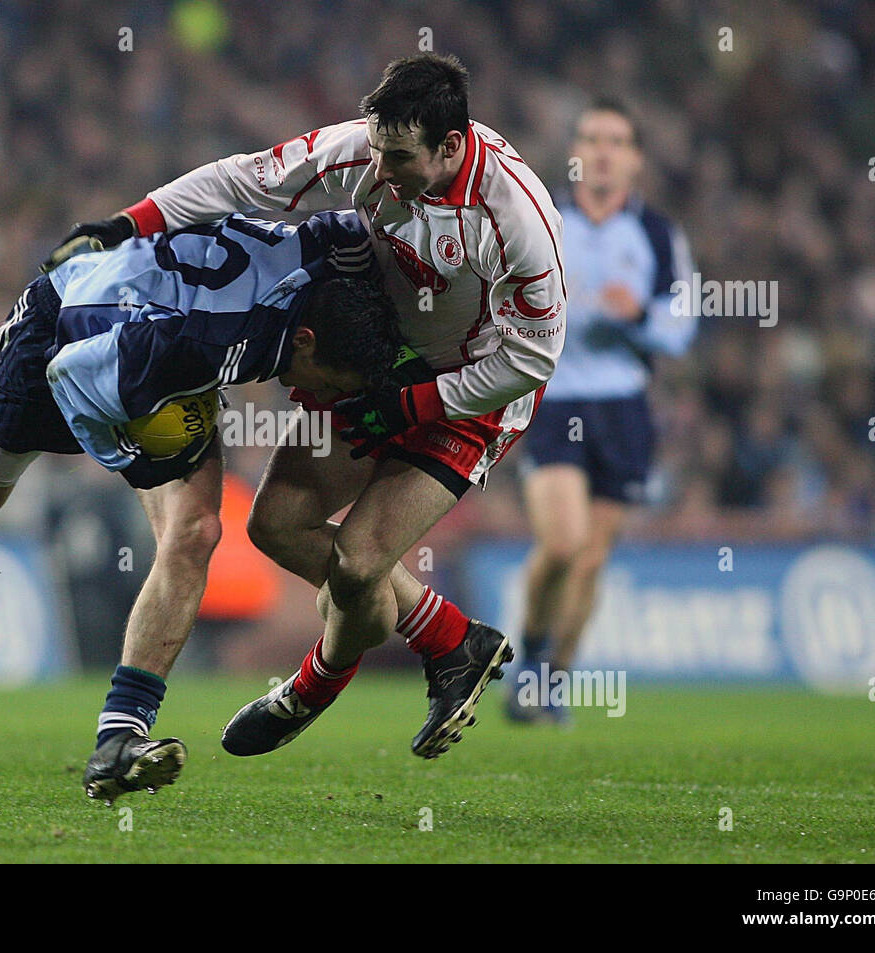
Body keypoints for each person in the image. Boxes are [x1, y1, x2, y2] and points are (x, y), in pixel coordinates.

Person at [44, 53, 565, 758]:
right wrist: (129, 223)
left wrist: (416, 406)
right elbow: (240, 181)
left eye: (400, 157)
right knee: (277, 524)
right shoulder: (363, 152)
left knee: (356, 567)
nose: (380, 171)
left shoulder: (518, 219)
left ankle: (307, 691)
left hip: (474, 394)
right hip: (384, 364)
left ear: (451, 147)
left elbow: (531, 358)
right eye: (377, 150)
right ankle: (454, 640)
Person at [0, 210, 403, 803]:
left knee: (195, 531)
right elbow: (70, 379)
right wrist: (134, 461)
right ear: (305, 341)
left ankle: (119, 738)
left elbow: (331, 213)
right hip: (64, 340)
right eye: (330, 381)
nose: (328, 398)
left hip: (157, 349)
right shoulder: (194, 341)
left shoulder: (314, 277)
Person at [507, 98, 696, 723]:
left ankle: (552, 682)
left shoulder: (658, 235)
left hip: (624, 406)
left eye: (616, 140)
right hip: (553, 397)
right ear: (575, 152)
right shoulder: (544, 221)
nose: (602, 151)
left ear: (635, 158)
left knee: (592, 558)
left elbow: (681, 325)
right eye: (591, 138)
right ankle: (529, 653)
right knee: (562, 544)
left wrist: (637, 316)